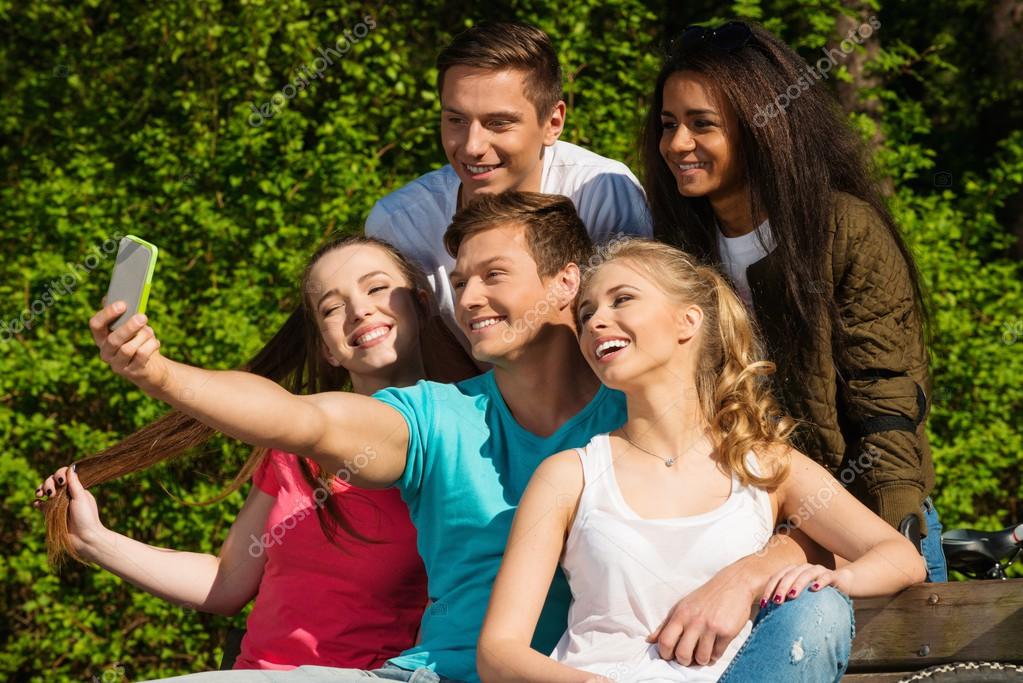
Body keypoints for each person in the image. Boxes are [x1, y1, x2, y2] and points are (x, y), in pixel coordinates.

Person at [77, 192, 823, 683]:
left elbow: (798, 507)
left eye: (491, 275)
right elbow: (301, 418)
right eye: (458, 281)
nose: (467, 299)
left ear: (566, 285)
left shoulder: (635, 412)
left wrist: (761, 564)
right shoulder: (435, 416)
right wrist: (162, 373)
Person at [478, 239, 926, 683]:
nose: (596, 322)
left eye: (623, 300)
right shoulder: (567, 475)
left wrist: (805, 581)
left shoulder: (767, 466)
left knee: (819, 608)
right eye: (587, 312)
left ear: (688, 320)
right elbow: (500, 652)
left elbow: (899, 557)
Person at [34, 236, 430, 670]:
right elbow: (225, 583)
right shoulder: (291, 453)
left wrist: (155, 372)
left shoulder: (462, 436)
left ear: (422, 302)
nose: (359, 310)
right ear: (326, 349)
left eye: (376, 288)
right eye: (332, 308)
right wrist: (93, 539)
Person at [640, 20, 946, 580]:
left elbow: (886, 396)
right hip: (731, 527)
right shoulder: (672, 253)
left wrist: (892, 532)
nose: (677, 144)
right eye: (668, 124)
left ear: (763, 128)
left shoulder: (842, 229)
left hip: (856, 517)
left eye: (701, 124)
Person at [366, 21, 652, 349]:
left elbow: (628, 332)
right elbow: (417, 356)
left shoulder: (599, 190)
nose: (472, 146)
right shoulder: (401, 222)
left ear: (553, 123)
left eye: (498, 123)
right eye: (456, 120)